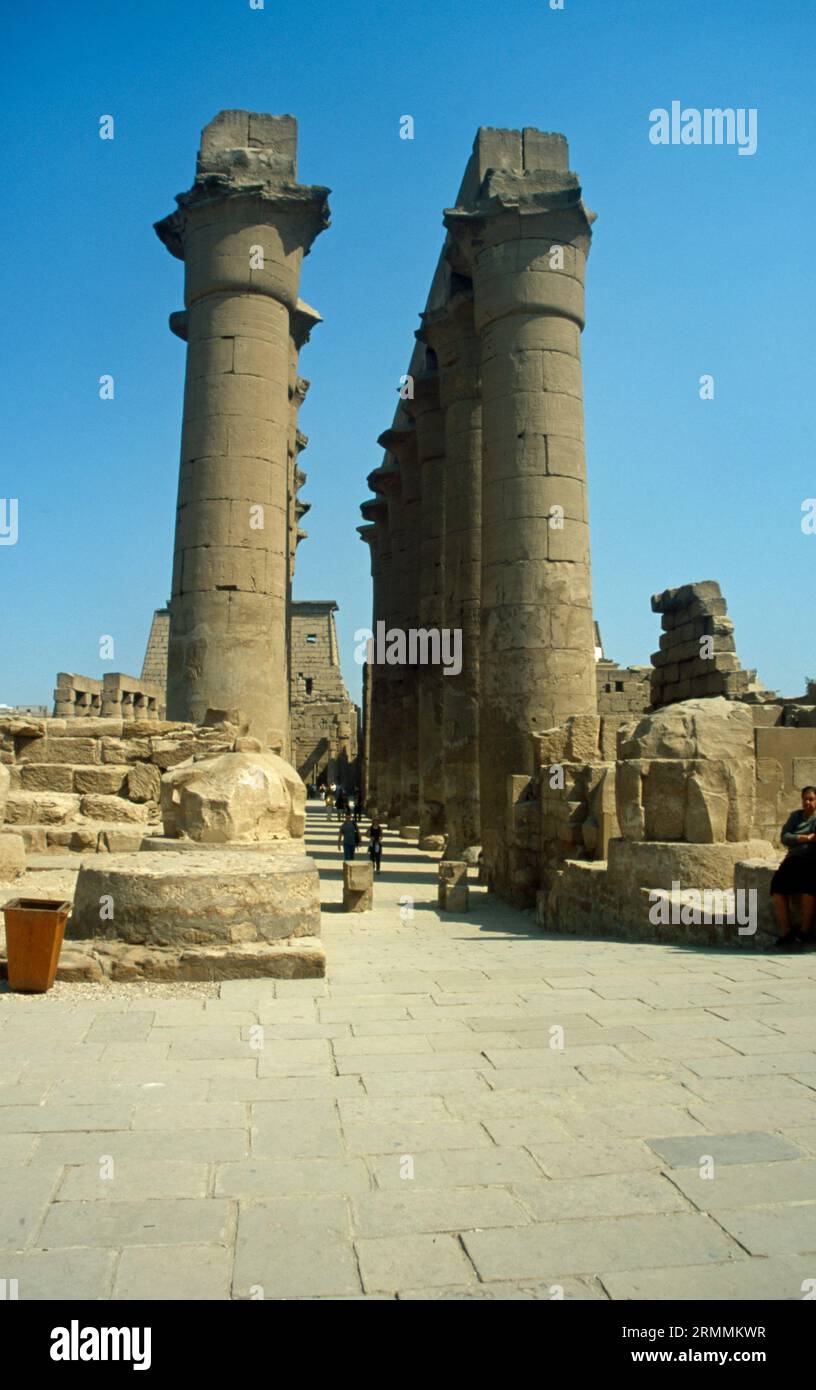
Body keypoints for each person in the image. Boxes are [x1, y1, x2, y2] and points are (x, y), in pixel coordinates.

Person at [770, 785, 816, 950]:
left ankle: (805, 931)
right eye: (805, 799)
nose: (807, 802)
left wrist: (804, 840)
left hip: (811, 860)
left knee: (808, 890)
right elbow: (785, 837)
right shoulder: (796, 817)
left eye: (811, 799)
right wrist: (803, 838)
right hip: (793, 859)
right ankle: (786, 931)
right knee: (776, 889)